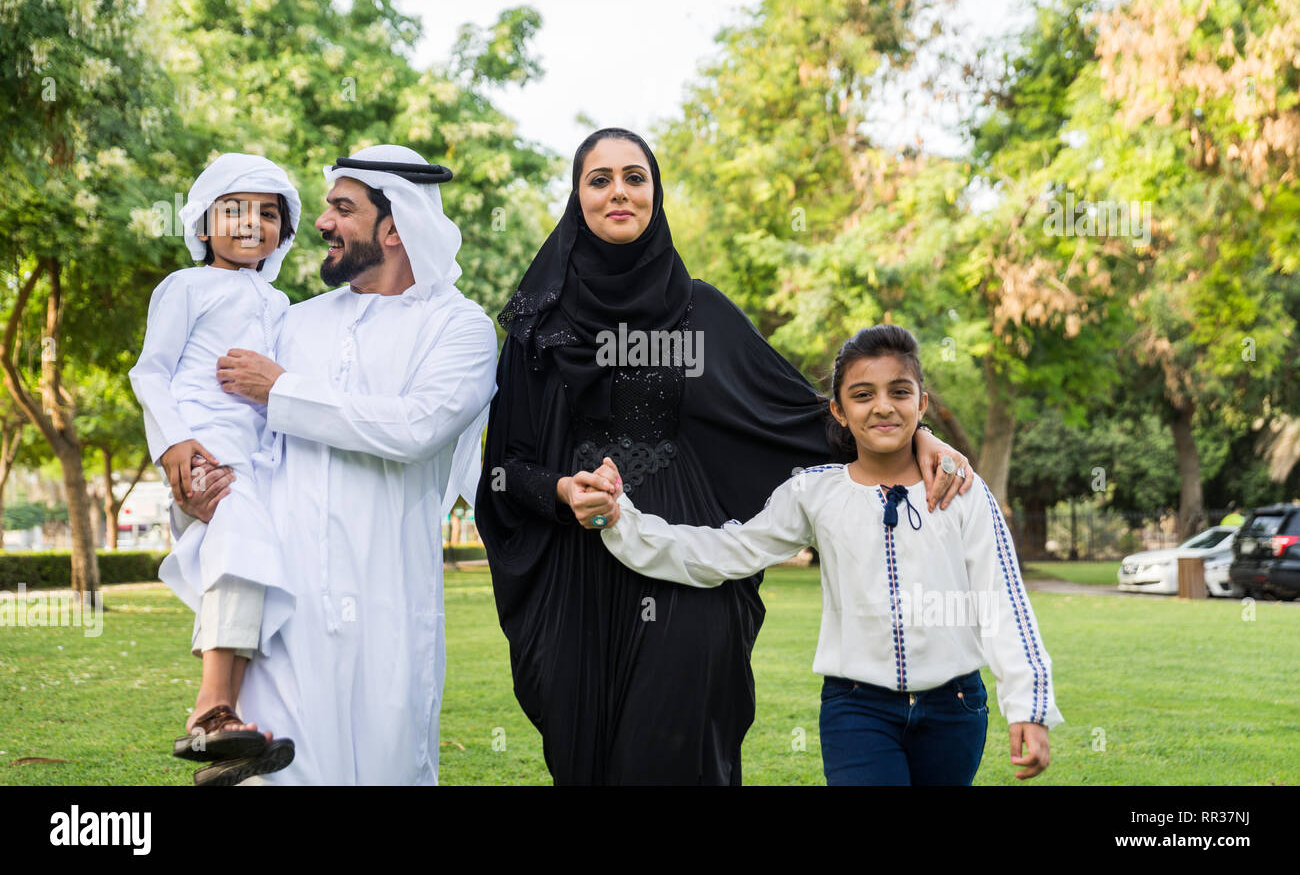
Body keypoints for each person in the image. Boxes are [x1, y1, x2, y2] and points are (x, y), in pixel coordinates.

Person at [473, 128, 975, 785]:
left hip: (688, 570)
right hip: (579, 575)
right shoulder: (539, 323)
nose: (618, 190)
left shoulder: (698, 312)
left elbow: (801, 414)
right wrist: (565, 492)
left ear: (655, 193)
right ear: (577, 197)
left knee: (670, 755)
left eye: (635, 176)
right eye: (599, 179)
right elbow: (505, 469)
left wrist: (914, 436)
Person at [597, 325, 1063, 785]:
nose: (882, 406)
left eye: (899, 392)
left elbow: (1002, 599)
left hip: (956, 707)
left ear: (921, 404)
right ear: (839, 411)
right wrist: (624, 521)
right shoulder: (813, 492)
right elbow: (727, 550)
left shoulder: (960, 490)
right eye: (863, 395)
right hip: (857, 709)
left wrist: (1027, 705)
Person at [173, 144, 498, 784]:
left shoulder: (459, 328)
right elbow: (227, 421)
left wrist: (282, 390)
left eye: (342, 209)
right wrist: (196, 478)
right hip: (286, 602)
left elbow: (417, 427)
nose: (321, 223)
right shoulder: (293, 322)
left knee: (386, 769)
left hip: (388, 601)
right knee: (282, 772)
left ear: (397, 226)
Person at [128, 153, 300, 785]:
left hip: (258, 465)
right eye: (235, 208)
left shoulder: (283, 303)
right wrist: (174, 445)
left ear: (285, 229)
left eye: (268, 212)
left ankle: (226, 747)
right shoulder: (185, 287)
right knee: (243, 549)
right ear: (203, 223)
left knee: (254, 574)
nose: (252, 222)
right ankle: (210, 710)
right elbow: (150, 371)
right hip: (205, 460)